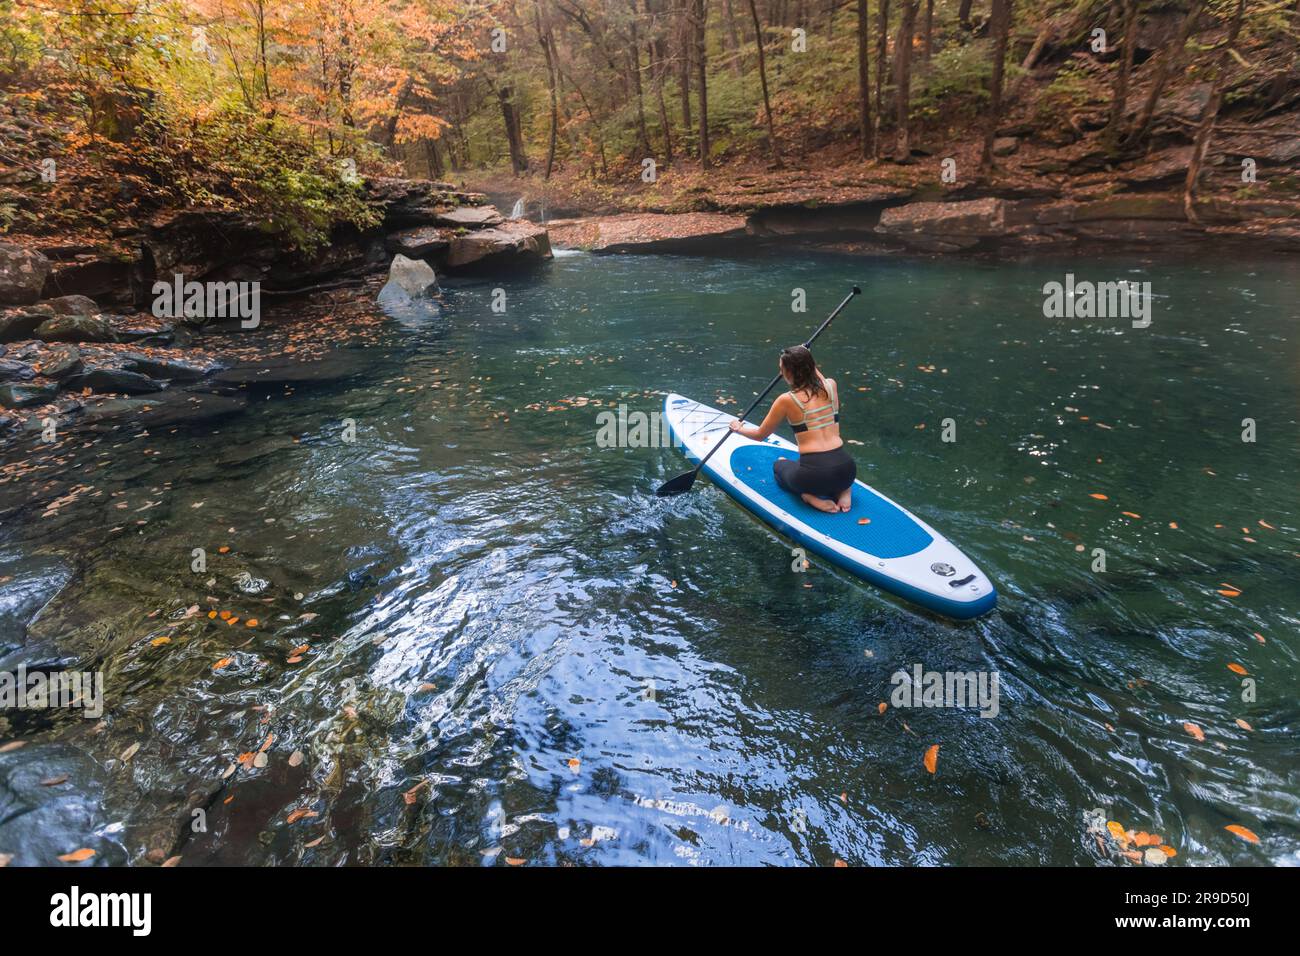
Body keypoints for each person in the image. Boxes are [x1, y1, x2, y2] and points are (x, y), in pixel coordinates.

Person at [729, 345, 857, 514]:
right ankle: (844, 491)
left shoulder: (787, 400)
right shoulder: (831, 385)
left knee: (779, 466)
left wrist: (738, 428)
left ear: (789, 372)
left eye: (782, 369)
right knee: (826, 473)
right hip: (847, 471)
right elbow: (817, 378)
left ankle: (809, 497)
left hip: (815, 477)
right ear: (812, 366)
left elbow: (760, 435)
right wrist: (805, 355)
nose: (781, 373)